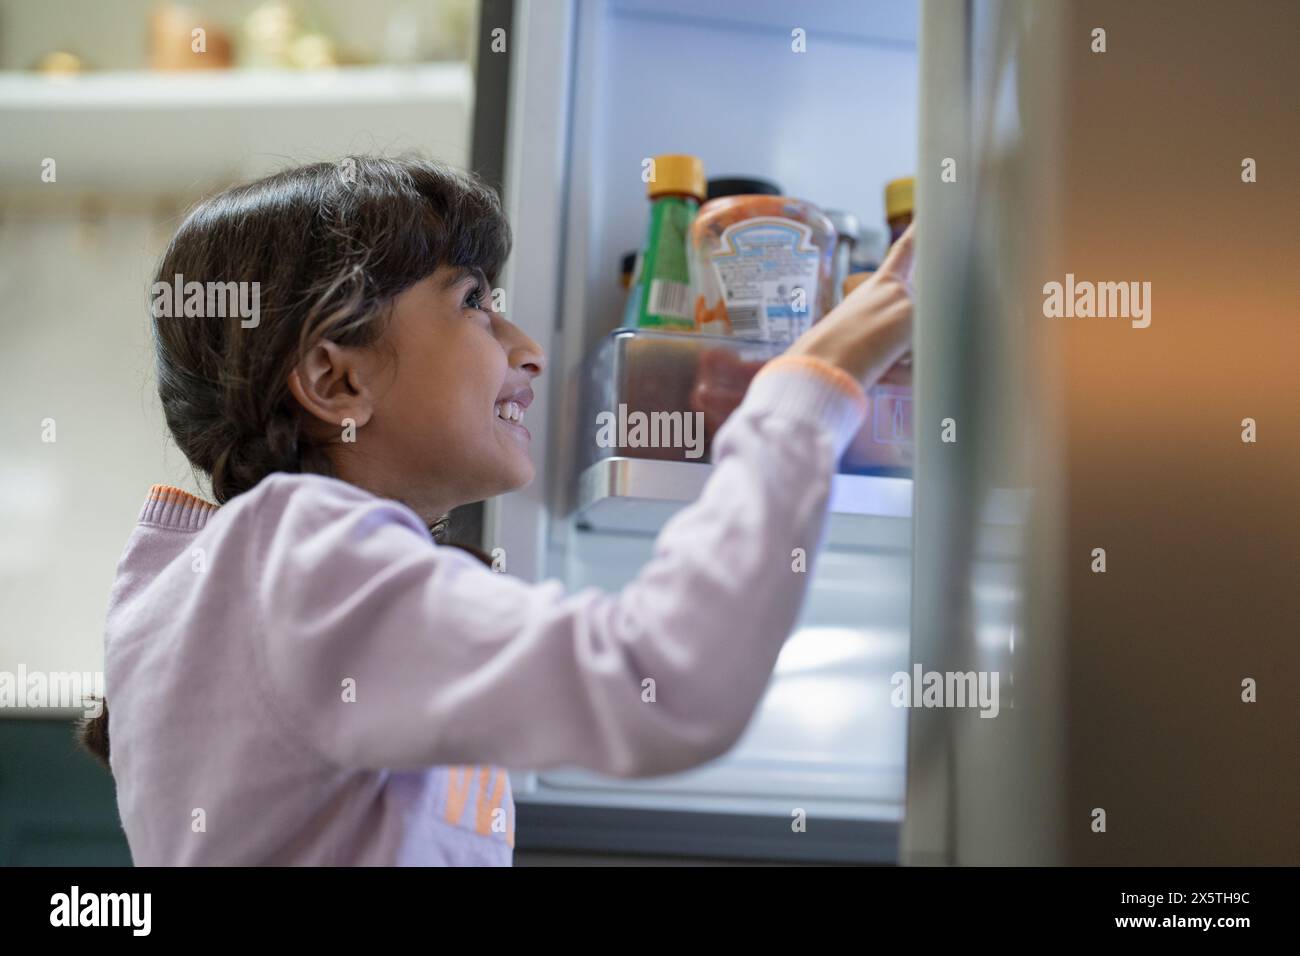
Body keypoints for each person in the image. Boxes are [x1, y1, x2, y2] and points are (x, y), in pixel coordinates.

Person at [86, 157, 914, 865]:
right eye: (474, 300)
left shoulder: (231, 578)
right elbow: (666, 683)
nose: (528, 347)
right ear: (337, 380)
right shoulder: (299, 557)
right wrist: (807, 387)